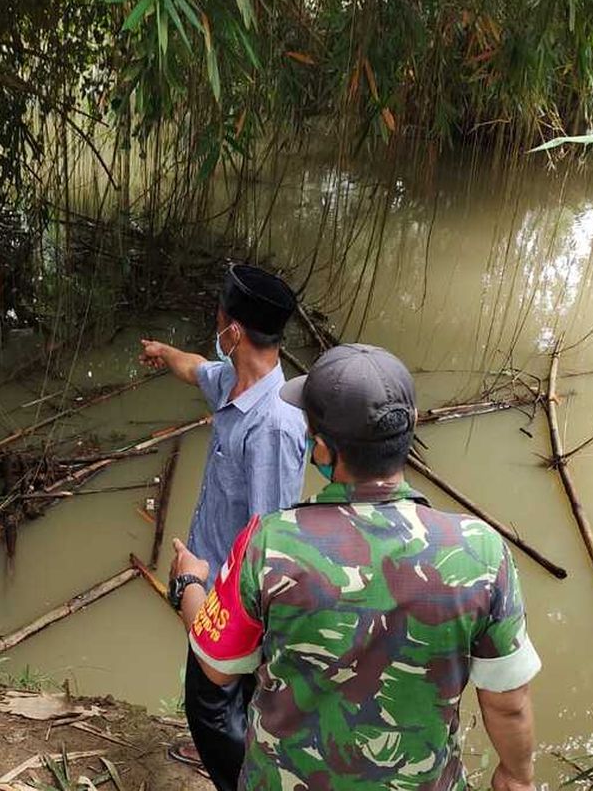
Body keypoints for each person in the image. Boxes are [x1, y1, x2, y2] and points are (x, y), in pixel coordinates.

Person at [170, 343, 542, 790]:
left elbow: (218, 665)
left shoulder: (268, 542)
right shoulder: (481, 551)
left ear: (322, 450)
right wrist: (516, 777)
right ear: (412, 425)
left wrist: (189, 582)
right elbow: (508, 703)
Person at [139, 264, 307, 790]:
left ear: (233, 331)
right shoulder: (233, 384)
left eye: (219, 317)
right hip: (205, 582)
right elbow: (196, 369)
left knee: (215, 702)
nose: (215, 325)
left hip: (235, 599)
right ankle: (220, 743)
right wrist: (165, 353)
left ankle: (236, 765)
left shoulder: (274, 425)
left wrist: (229, 605)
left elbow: (271, 538)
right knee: (211, 697)